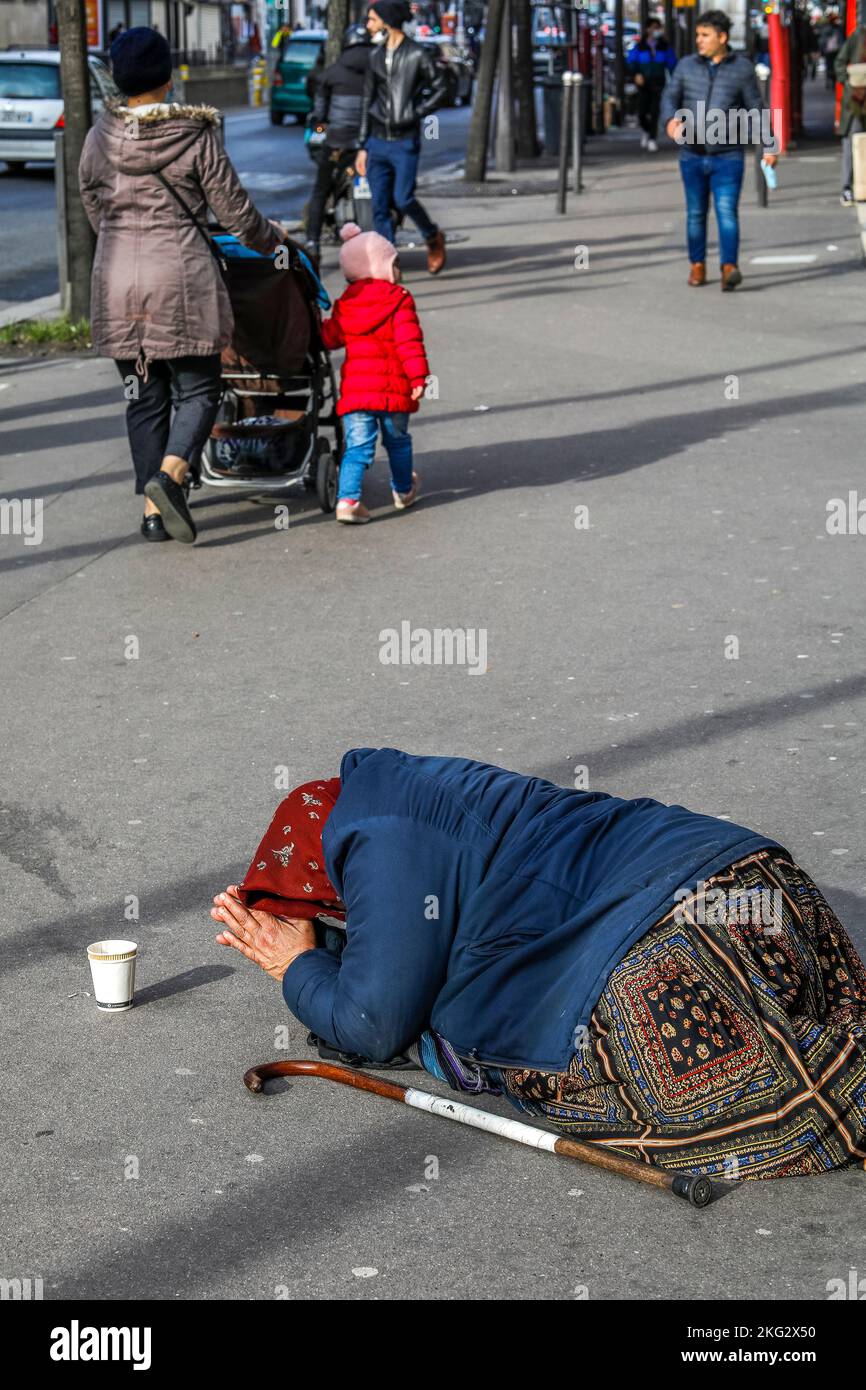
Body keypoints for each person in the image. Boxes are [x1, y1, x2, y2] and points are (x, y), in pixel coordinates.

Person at [212, 748, 866, 1182]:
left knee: (642, 1084)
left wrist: (295, 966)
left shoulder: (374, 836)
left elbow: (372, 1021)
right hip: (764, 890)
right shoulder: (411, 789)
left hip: (664, 940)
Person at [79, 27, 283, 544]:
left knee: (143, 396)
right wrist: (274, 241)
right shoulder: (194, 136)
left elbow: (92, 201)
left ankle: (152, 515)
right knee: (200, 387)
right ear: (169, 78)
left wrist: (119, 243)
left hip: (118, 286)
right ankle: (170, 476)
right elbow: (236, 213)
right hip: (182, 283)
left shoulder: (99, 135)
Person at [660, 9, 777, 290]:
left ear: (722, 37)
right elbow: (670, 96)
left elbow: (756, 109)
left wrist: (770, 146)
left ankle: (729, 267)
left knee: (727, 212)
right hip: (692, 153)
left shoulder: (742, 68)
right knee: (696, 213)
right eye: (698, 35)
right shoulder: (686, 66)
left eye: (705, 35)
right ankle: (697, 265)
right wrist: (671, 120)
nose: (699, 40)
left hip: (728, 154)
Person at [320, 223, 428, 524]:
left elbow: (330, 338)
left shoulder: (346, 304)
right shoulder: (399, 300)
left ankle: (348, 501)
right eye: (393, 264)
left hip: (357, 394)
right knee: (398, 442)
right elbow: (410, 344)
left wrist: (317, 326)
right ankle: (404, 490)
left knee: (357, 448)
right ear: (380, 267)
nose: (398, 270)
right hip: (393, 392)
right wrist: (419, 379)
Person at [354, 0, 449, 274]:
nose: (368, 26)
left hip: (404, 140)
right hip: (376, 141)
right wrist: (362, 146)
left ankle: (432, 236)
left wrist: (416, 111)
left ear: (386, 21)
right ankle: (388, 263)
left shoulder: (417, 54)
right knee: (379, 206)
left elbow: (442, 87)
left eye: (372, 20)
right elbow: (367, 100)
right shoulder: (374, 57)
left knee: (404, 198)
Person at [305, 23, 373, 261]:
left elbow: (320, 114)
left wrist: (320, 126)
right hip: (368, 142)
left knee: (321, 190)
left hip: (337, 142)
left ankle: (312, 240)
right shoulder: (378, 70)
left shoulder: (332, 73)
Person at [627, 17, 677, 152]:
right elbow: (631, 61)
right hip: (643, 84)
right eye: (653, 27)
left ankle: (652, 138)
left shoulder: (664, 46)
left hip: (658, 83)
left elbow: (672, 64)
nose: (656, 30)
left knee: (655, 112)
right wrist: (636, 74)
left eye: (658, 27)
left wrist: (675, 84)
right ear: (647, 29)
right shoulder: (640, 46)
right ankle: (647, 130)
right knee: (642, 112)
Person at [835, 19, 866, 206]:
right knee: (851, 143)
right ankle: (847, 187)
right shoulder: (858, 35)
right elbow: (840, 62)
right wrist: (848, 83)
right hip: (856, 100)